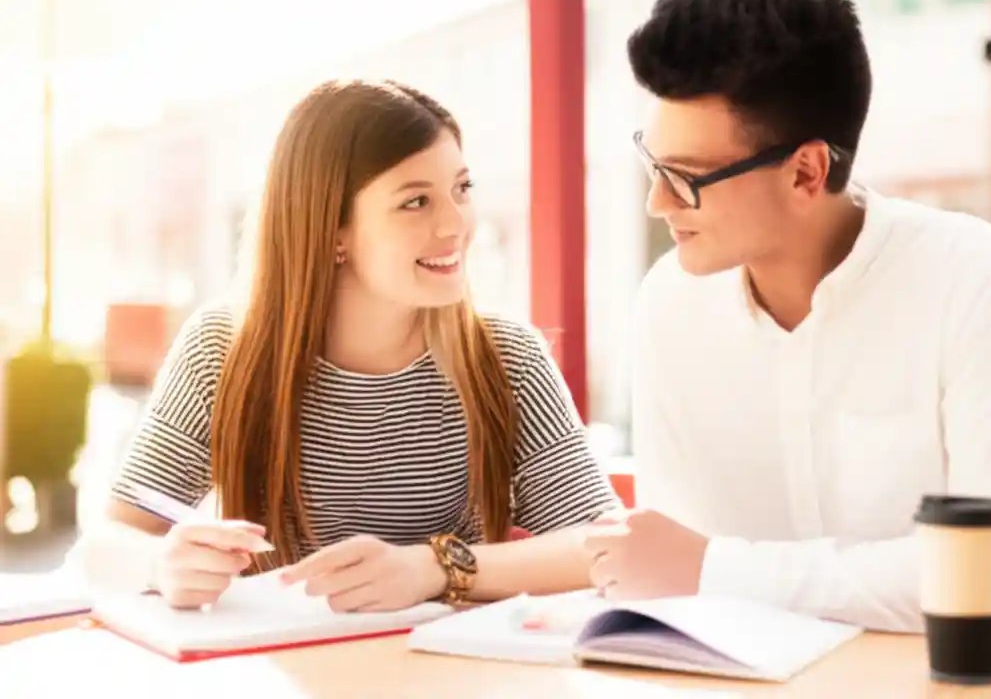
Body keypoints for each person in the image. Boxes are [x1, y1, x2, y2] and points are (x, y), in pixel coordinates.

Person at [584, 0, 991, 634]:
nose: (658, 203)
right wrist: (701, 569)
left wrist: (717, 568)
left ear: (806, 173)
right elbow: (669, 572)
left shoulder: (970, 277)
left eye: (687, 179)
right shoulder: (671, 302)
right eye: (654, 164)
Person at [77, 79, 619, 611]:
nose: (457, 223)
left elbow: (602, 547)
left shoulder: (504, 357)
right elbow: (108, 542)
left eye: (461, 189)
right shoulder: (222, 350)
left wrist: (432, 568)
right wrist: (161, 564)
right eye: (416, 202)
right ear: (332, 229)